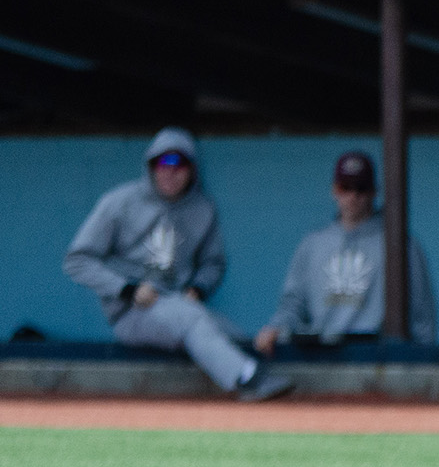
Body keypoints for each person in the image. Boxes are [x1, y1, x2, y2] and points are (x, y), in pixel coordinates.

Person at [63, 127, 292, 401]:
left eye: (179, 165)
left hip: (179, 303)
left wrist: (198, 288)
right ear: (151, 167)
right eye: (162, 164)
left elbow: (213, 263)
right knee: (190, 318)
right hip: (131, 311)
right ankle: (247, 381)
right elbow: (77, 260)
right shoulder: (119, 202)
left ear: (192, 170)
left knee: (236, 337)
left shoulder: (202, 207)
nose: (170, 173)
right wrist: (127, 289)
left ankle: (274, 395)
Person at [254, 151, 436, 352]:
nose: (353, 197)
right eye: (345, 188)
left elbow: (422, 315)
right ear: (334, 190)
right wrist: (277, 328)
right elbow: (292, 304)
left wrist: (420, 361)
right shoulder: (313, 244)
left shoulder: (399, 244)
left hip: (377, 357)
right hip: (321, 356)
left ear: (374, 192)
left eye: (361, 189)